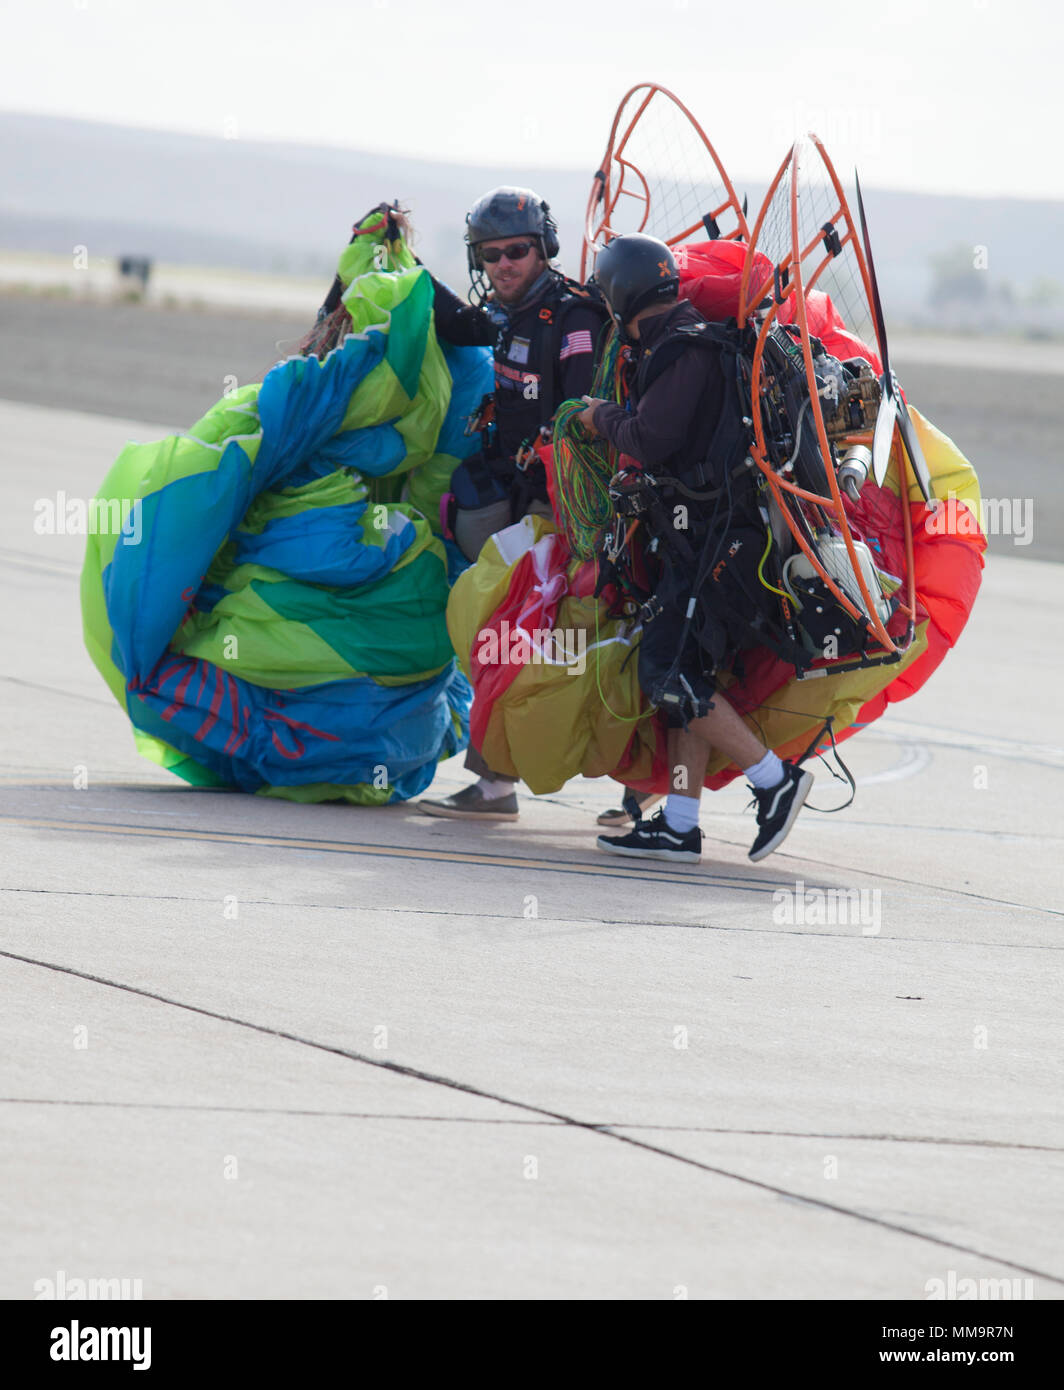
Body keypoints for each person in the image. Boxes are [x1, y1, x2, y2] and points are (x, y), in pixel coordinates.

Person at [417, 187, 659, 825]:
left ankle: (644, 792)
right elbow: (451, 320)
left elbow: (586, 419)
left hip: (581, 514)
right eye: (490, 254)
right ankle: (494, 782)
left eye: (517, 251)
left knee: (602, 640)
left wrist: (565, 496)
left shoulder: (575, 320)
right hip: (532, 510)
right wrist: (400, 263)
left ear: (543, 248)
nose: (503, 264)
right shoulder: (502, 315)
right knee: (504, 631)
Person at [577, 233, 814, 863]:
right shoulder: (681, 339)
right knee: (691, 681)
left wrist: (598, 417)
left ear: (622, 297)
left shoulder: (684, 349)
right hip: (702, 542)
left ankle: (776, 781)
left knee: (668, 675)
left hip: (717, 546)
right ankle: (680, 824)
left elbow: (650, 436)